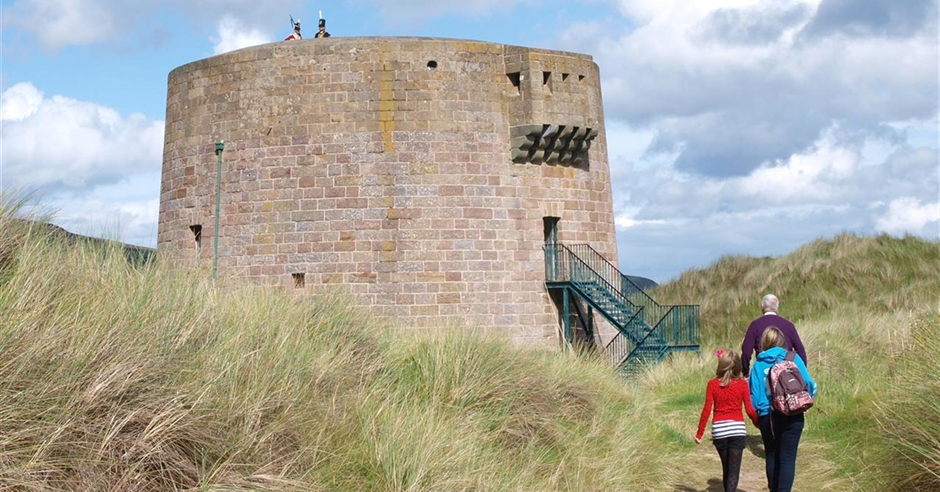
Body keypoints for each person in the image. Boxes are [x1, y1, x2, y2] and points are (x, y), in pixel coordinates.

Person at [749, 326, 817, 492]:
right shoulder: (793, 358)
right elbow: (810, 385)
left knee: (772, 454)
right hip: (793, 413)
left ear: (763, 343)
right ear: (782, 341)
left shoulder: (758, 365)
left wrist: (757, 417)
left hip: (768, 416)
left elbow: (754, 397)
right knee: (788, 458)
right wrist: (806, 400)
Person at [695, 349, 759, 492]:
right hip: (737, 430)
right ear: (738, 366)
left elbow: (706, 410)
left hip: (719, 430)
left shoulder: (712, 384)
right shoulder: (742, 384)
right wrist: (759, 424)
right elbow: (749, 410)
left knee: (726, 469)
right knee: (734, 472)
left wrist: (699, 433)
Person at [741, 294, 806, 374]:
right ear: (777, 307)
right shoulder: (788, 325)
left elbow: (746, 351)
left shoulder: (755, 325)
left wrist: (745, 372)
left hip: (764, 370)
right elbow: (800, 349)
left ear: (762, 307)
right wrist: (801, 373)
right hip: (786, 371)